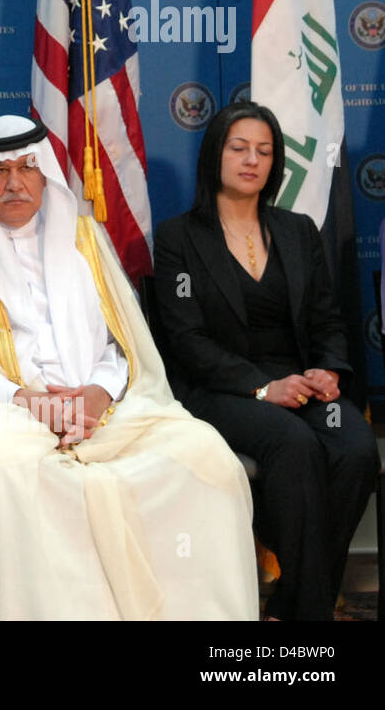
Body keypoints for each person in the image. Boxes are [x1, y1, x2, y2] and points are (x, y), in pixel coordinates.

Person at [0, 114, 258, 620]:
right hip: (0, 410)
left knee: (207, 457)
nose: (14, 182)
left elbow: (123, 343)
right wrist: (26, 401)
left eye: (27, 167)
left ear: (45, 172)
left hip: (101, 409)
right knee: (9, 468)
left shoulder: (83, 237)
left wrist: (99, 392)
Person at [154, 101, 379, 620]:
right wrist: (262, 388)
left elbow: (327, 320)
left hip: (301, 384)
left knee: (356, 446)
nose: (252, 160)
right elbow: (187, 340)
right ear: (215, 156)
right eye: (239, 148)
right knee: (294, 442)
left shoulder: (298, 230)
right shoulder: (179, 240)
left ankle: (294, 601)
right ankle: (312, 615)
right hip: (223, 390)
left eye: (264, 151)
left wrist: (328, 370)